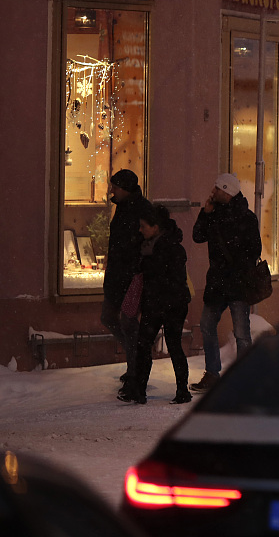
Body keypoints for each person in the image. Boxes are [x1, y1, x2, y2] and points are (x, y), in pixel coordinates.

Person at [189, 173, 261, 393]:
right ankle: (214, 374)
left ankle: (243, 377)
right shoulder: (214, 215)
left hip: (234, 283)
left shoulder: (245, 218)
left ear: (226, 191)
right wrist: (205, 212)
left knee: (241, 331)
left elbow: (254, 250)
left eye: (217, 189)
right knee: (209, 325)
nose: (213, 192)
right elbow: (197, 236)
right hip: (219, 283)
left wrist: (235, 266)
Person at [120, 205, 192, 405]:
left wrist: (148, 266)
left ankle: (181, 390)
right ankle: (139, 390)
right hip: (156, 302)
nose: (140, 230)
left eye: (144, 226)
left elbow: (167, 277)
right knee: (145, 345)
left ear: (156, 226)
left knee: (172, 345)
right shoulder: (147, 247)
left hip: (170, 304)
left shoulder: (172, 248)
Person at [101, 169, 152, 392]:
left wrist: (137, 268)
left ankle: (135, 371)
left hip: (131, 277)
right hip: (116, 275)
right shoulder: (121, 207)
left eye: (116, 186)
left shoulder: (142, 209)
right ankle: (136, 359)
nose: (112, 190)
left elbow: (148, 241)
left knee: (129, 324)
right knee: (109, 317)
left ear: (126, 188)